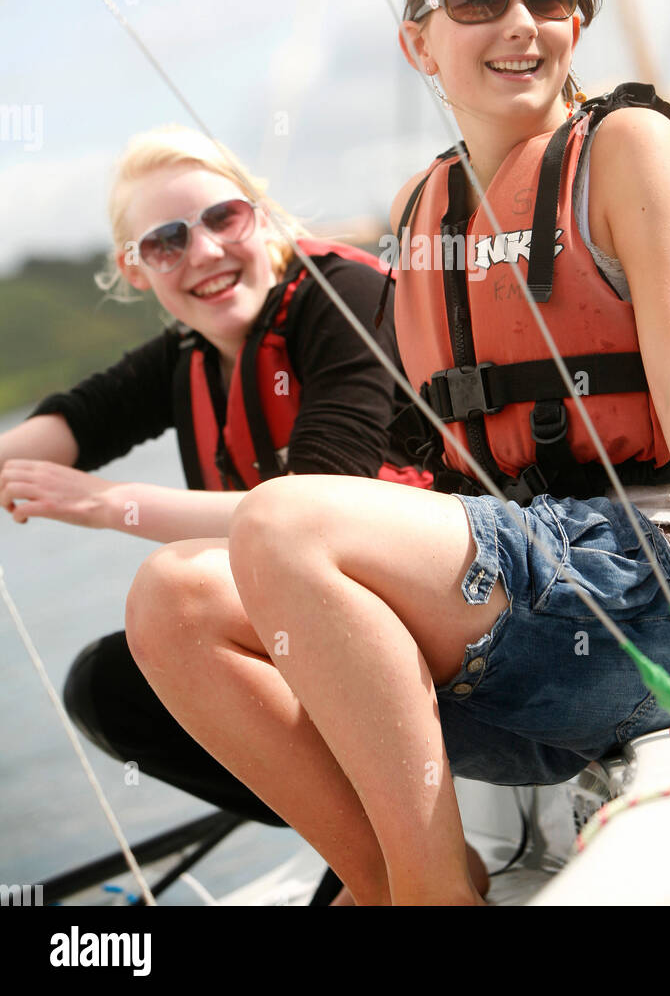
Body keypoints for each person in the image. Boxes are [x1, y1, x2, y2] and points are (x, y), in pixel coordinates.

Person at [123, 0, 670, 908]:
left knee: (284, 519)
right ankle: (386, 878)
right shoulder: (423, 213)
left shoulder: (627, 149)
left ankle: (431, 897)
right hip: (516, 618)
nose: (520, 20)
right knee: (174, 598)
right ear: (419, 41)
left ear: (573, 26)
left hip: (649, 596)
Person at [0, 124, 434, 847]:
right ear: (136, 270)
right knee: (107, 687)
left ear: (259, 217)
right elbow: (77, 420)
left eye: (222, 218)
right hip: (322, 638)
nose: (202, 252)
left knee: (180, 589)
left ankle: (407, 850)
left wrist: (107, 505)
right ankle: (364, 850)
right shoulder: (188, 354)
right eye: (167, 242)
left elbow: (315, 507)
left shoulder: (345, 299)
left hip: (439, 609)